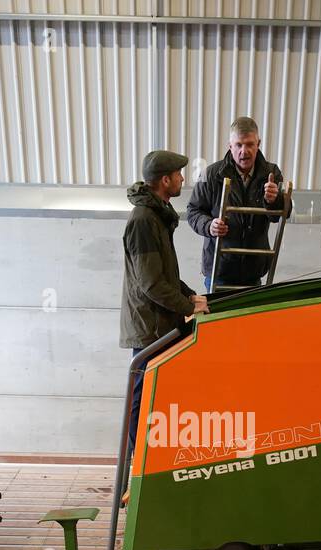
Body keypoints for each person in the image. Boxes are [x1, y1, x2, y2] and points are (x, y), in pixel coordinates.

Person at [120, 149, 208, 486]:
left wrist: (189, 295)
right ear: (165, 180)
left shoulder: (157, 215)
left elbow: (165, 276)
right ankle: (136, 475)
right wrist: (189, 307)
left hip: (160, 323)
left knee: (153, 399)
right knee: (142, 403)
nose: (183, 179)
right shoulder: (143, 221)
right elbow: (152, 284)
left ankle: (149, 468)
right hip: (150, 328)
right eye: (178, 175)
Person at [186, 116, 290, 293]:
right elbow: (193, 211)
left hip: (253, 272)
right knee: (218, 320)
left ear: (259, 144)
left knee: (249, 320)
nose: (244, 151)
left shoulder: (272, 173)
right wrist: (209, 225)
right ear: (230, 146)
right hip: (219, 271)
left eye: (250, 144)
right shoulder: (210, 174)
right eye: (239, 145)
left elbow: (282, 215)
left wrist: (274, 201)